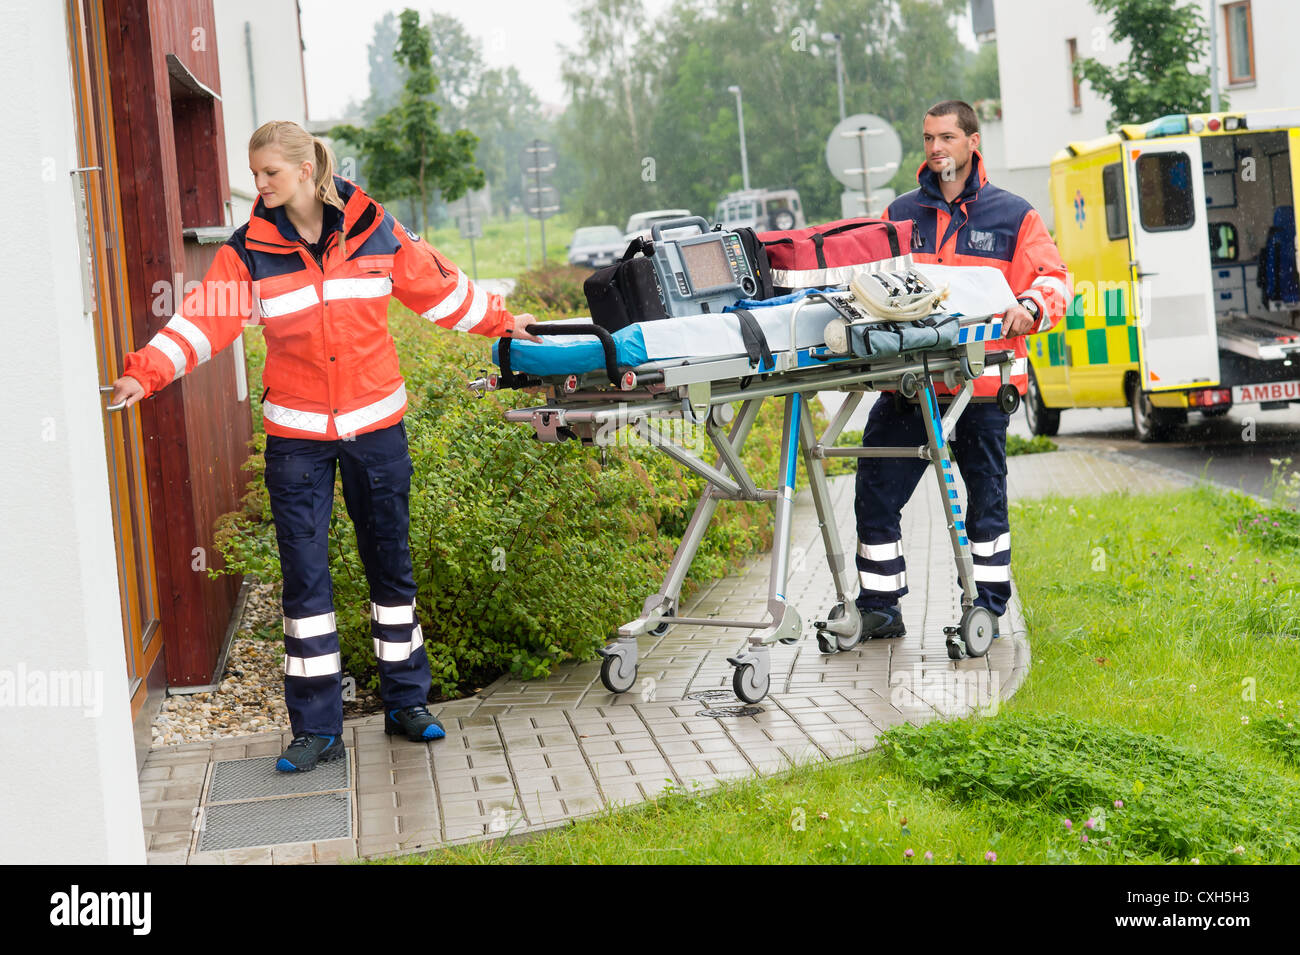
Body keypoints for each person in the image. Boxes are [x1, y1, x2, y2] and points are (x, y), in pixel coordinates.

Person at [110, 120, 542, 772]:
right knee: (306, 586)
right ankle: (317, 729)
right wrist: (143, 372)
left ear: (305, 172)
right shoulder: (250, 249)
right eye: (254, 174)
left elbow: (441, 290)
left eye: (268, 174)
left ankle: (406, 702)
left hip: (377, 431)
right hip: (297, 441)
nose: (257, 185)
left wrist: (508, 322)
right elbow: (202, 319)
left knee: (390, 569)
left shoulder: (374, 229)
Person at [853, 100, 1069, 641]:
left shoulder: (1013, 214)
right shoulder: (900, 214)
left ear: (973, 142)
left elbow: (1054, 278)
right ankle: (880, 606)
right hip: (909, 384)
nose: (934, 148)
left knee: (984, 505)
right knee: (875, 491)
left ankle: (988, 609)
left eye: (946, 137)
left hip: (983, 387)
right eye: (927, 138)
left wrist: (1033, 308)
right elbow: (869, 283)